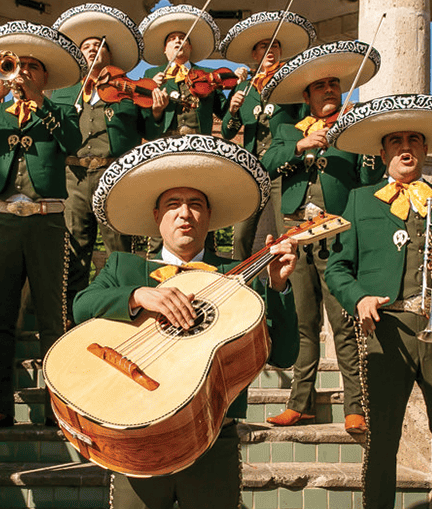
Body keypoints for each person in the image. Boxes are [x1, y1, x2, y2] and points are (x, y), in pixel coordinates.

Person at [69, 136, 299, 509]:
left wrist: (278, 285)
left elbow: (285, 354)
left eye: (195, 205)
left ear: (209, 216)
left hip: (212, 436)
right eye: (172, 205)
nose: (184, 214)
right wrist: (136, 296)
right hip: (136, 433)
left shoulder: (234, 277)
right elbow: (81, 306)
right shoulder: (124, 267)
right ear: (156, 217)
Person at [323, 93, 432, 509]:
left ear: (425, 149)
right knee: (382, 434)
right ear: (383, 152)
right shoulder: (360, 200)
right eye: (396, 140)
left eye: (414, 139)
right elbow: (336, 268)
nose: (405, 147)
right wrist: (360, 297)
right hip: (388, 328)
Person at [257, 41, 386, 434]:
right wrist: (299, 146)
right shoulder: (285, 130)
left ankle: (355, 406)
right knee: (302, 321)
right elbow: (266, 162)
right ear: (307, 96)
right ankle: (300, 403)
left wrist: (362, 145)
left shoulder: (351, 125)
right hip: (296, 236)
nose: (330, 90)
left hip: (338, 236)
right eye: (321, 86)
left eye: (335, 84)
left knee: (343, 322)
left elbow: (368, 180)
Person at [0, 20, 85, 430]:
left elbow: (73, 141)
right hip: (0, 220)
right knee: (0, 317)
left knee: (53, 317)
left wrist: (40, 101)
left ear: (45, 77)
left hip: (46, 221)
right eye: (18, 67)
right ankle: (0, 404)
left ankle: (58, 405)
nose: (22, 73)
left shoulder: (60, 110)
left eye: (32, 68)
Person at [50, 3, 151, 312]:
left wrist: (156, 110)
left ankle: (126, 318)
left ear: (110, 56)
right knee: (74, 251)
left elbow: (151, 129)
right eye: (87, 47)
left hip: (114, 176)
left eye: (99, 47)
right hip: (74, 179)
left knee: (121, 251)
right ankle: (70, 320)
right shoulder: (62, 92)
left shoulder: (127, 91)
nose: (93, 50)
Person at [217, 9, 317, 259]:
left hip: (284, 165)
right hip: (253, 168)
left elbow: (308, 117)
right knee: (241, 235)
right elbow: (228, 133)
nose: (270, 51)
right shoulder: (244, 86)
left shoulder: (293, 81)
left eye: (275, 46)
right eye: (264, 47)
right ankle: (240, 284)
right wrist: (233, 110)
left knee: (287, 231)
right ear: (255, 54)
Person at [138, 4, 228, 137]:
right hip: (165, 142)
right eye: (172, 39)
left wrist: (237, 89)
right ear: (165, 49)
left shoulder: (208, 74)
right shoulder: (150, 74)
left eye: (182, 38)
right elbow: (142, 118)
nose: (178, 41)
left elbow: (224, 111)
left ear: (190, 47)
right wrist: (154, 104)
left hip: (200, 141)